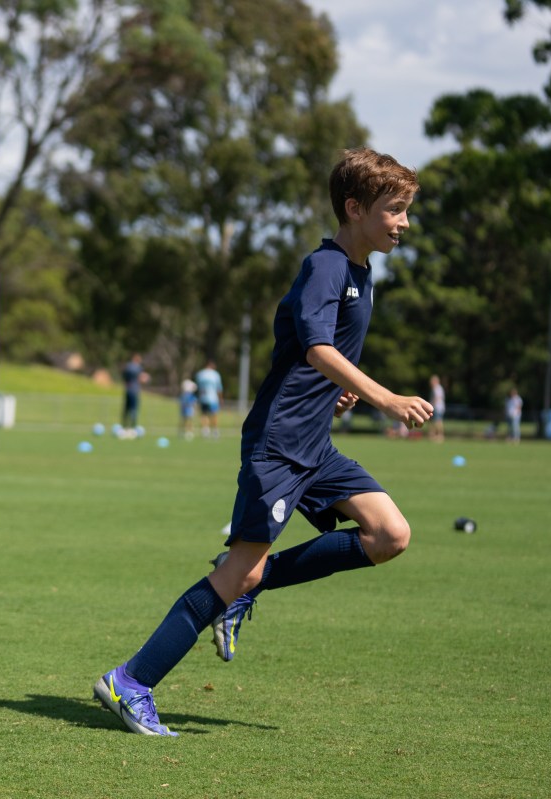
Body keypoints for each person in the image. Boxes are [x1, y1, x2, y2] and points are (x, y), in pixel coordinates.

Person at [94, 147, 432, 736]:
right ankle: (131, 682)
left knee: (388, 534)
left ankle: (250, 582)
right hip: (279, 444)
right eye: (394, 210)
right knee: (236, 575)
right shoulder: (327, 267)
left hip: (314, 443)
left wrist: (336, 394)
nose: (403, 222)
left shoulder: (361, 272)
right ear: (354, 209)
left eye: (406, 210)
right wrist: (384, 398)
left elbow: (315, 358)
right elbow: (314, 348)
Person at [195, 360, 224, 439]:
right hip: (213, 398)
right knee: (214, 414)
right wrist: (221, 399)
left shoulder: (200, 374)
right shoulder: (215, 374)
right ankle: (215, 431)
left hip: (202, 398)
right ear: (212, 366)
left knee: (204, 414)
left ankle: (205, 430)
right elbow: (219, 388)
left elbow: (198, 388)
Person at [121, 353, 146, 433]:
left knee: (126, 409)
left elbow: (124, 376)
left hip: (128, 389)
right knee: (134, 409)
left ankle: (124, 426)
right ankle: (132, 427)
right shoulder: (138, 368)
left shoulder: (128, 366)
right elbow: (142, 379)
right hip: (134, 390)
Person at [428, 375, 446, 443]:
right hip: (436, 407)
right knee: (435, 421)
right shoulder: (436, 388)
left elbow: (437, 398)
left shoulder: (437, 388)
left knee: (438, 422)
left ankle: (440, 436)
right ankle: (434, 435)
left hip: (438, 408)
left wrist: (431, 405)